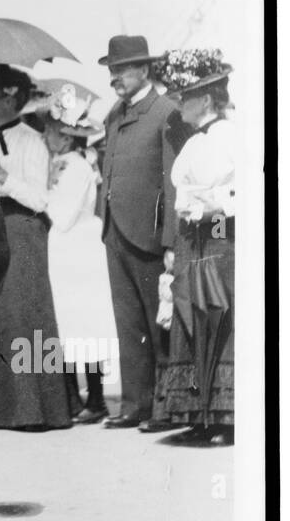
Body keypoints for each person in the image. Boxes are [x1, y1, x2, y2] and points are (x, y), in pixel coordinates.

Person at [0, 64, 72, 431]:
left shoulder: (31, 140)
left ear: (10, 98)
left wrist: (1, 176)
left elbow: (39, 198)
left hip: (24, 229)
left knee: (25, 315)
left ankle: (35, 410)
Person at [96, 35, 186, 431]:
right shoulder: (114, 114)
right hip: (115, 230)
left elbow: (172, 182)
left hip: (149, 234)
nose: (114, 77)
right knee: (128, 322)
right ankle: (135, 404)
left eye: (122, 69)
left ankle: (165, 407)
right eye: (112, 70)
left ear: (145, 70)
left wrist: (170, 240)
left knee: (157, 321)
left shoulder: (166, 112)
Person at [151, 51, 235, 444]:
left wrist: (214, 216)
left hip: (217, 232)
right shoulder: (194, 141)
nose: (179, 103)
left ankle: (223, 416)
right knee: (190, 312)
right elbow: (184, 190)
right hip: (191, 237)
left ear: (204, 99)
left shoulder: (229, 136)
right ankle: (195, 413)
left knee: (218, 306)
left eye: (185, 97)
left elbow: (237, 194)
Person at [40, 87, 114, 423]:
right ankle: (76, 395)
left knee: (83, 323)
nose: (47, 136)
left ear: (68, 139)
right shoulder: (62, 163)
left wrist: (38, 201)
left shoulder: (77, 168)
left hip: (76, 248)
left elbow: (62, 213)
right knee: (68, 323)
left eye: (52, 132)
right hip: (65, 248)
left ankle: (95, 398)